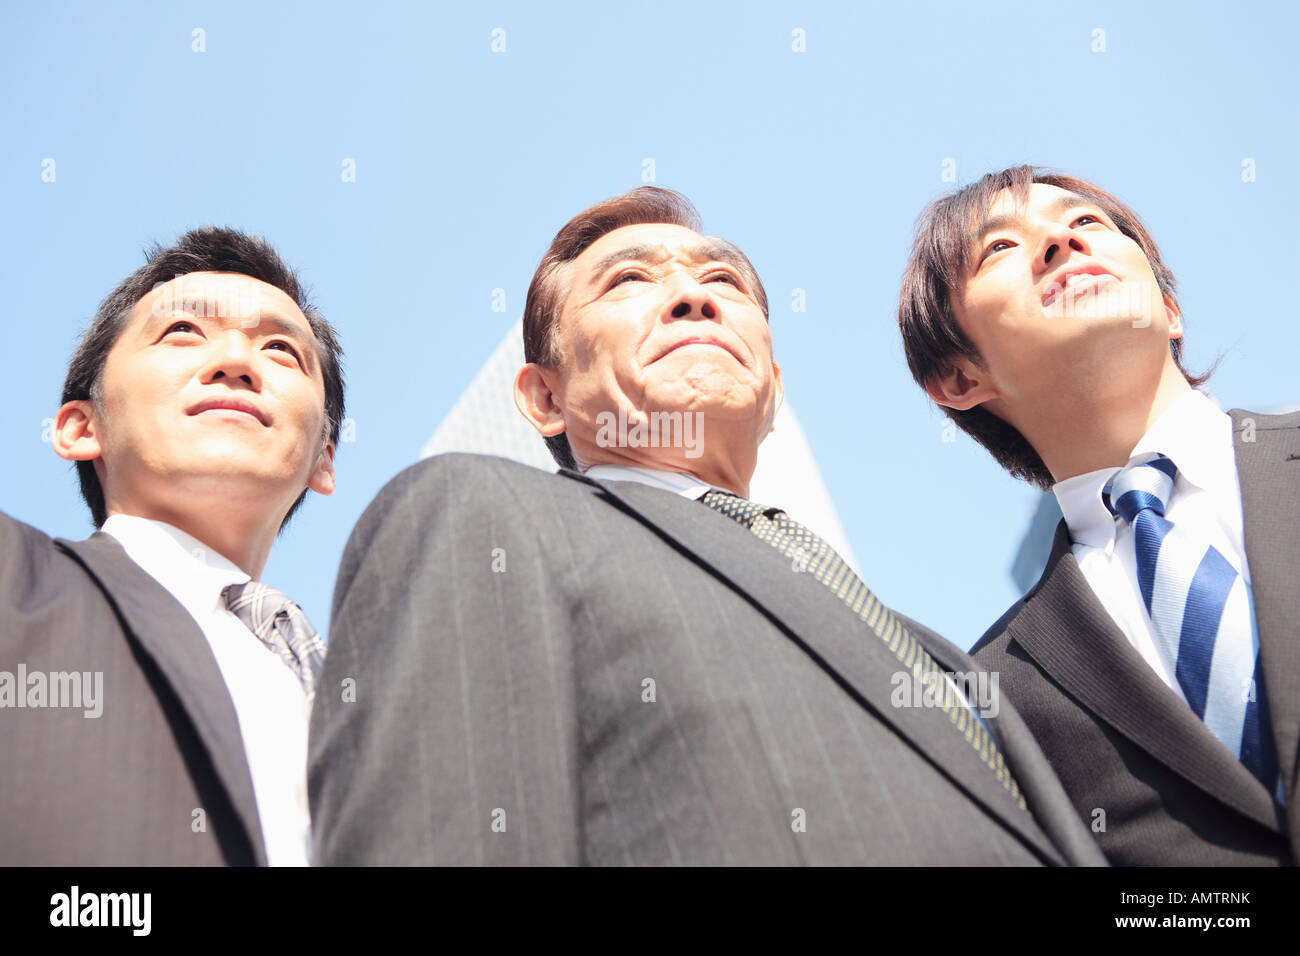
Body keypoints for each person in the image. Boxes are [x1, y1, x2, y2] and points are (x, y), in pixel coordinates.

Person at [310, 187, 1102, 865]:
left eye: (722, 279)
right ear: (544, 398)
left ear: (775, 382)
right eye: (627, 282)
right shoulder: (483, 521)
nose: (696, 297)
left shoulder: (935, 651)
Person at [898, 165, 1298, 865]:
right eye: (999, 248)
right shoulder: (993, 696)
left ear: (1169, 310)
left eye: (1086, 222)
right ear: (960, 378)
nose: (1059, 239)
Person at [0, 228, 345, 865]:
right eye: (183, 331)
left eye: (280, 349)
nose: (237, 362)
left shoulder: (379, 696)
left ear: (323, 461)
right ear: (81, 428)